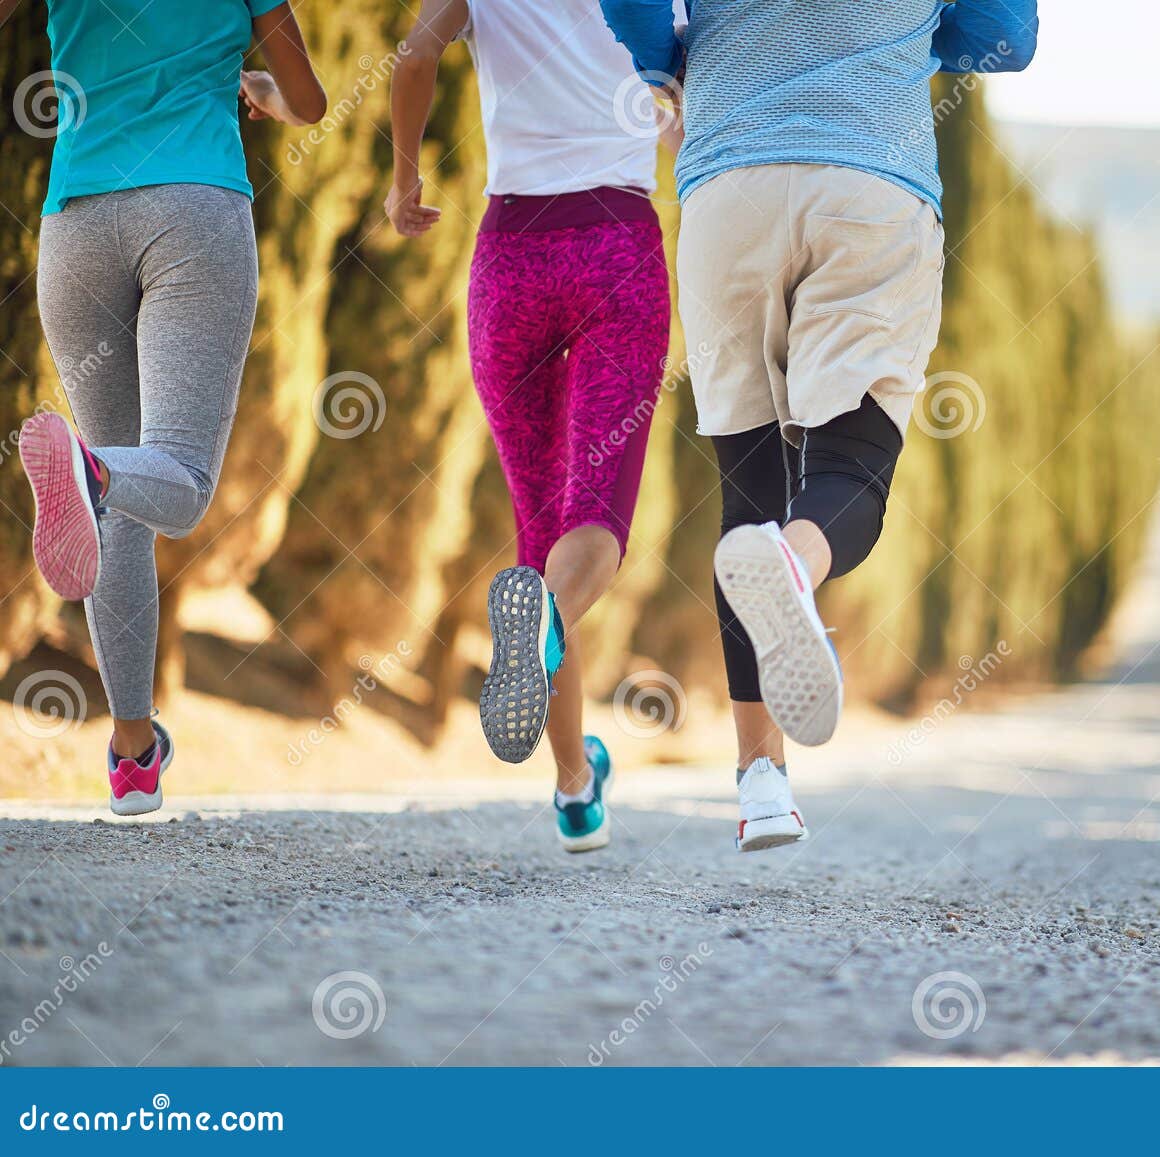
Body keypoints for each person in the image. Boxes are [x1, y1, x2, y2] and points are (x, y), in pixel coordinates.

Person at [599, 0, 1039, 851]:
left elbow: (635, 6)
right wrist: (899, 35)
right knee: (853, 470)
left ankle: (761, 783)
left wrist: (677, 59)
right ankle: (797, 566)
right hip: (871, 188)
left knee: (747, 490)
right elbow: (1008, 37)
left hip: (729, 186)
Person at [14, 0, 326, 817]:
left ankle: (132, 753)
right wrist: (259, 83)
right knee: (177, 481)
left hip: (76, 222)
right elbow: (314, 102)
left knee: (117, 508)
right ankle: (87, 467)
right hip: (194, 209)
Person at [385, 0, 675, 852]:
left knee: (541, 532)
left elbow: (411, 56)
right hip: (617, 248)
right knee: (593, 525)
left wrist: (405, 182)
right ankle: (547, 644)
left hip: (510, 257)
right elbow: (686, 102)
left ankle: (576, 788)